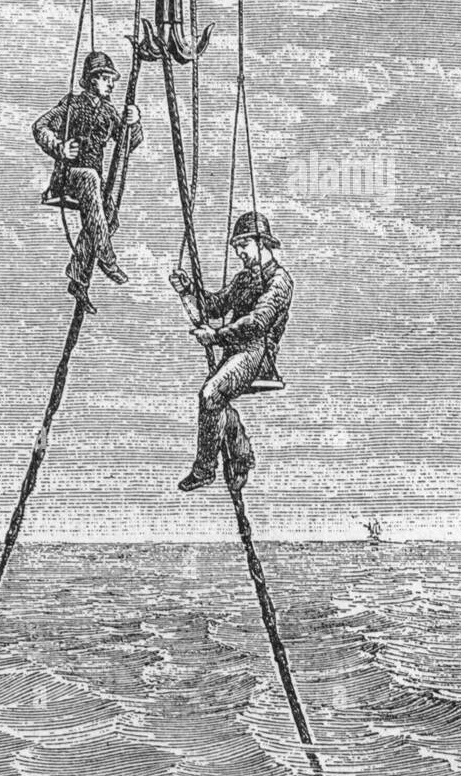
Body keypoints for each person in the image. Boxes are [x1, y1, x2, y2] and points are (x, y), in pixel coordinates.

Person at [171, 210, 293, 492]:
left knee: (211, 394)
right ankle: (241, 457)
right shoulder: (243, 279)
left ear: (262, 242)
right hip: (235, 353)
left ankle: (204, 470)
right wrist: (188, 289)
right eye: (236, 246)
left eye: (243, 245)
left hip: (257, 354)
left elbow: (257, 323)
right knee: (217, 404)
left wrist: (214, 337)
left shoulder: (279, 280)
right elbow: (213, 306)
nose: (238, 252)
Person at [32, 50, 143, 315]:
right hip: (69, 178)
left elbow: (128, 144)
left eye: (112, 79)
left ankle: (78, 278)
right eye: (106, 78)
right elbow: (39, 127)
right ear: (92, 79)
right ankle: (107, 258)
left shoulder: (108, 111)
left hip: (92, 184)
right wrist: (59, 147)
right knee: (92, 182)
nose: (112, 84)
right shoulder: (72, 104)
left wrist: (134, 123)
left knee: (109, 218)